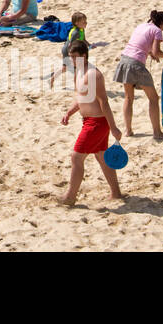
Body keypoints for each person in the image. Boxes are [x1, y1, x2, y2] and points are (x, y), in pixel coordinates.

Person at [60, 39, 123, 205]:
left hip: (97, 123)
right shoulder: (79, 72)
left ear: (84, 55)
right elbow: (81, 98)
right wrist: (69, 112)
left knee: (76, 157)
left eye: (75, 57)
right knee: (101, 157)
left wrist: (114, 127)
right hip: (88, 121)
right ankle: (116, 193)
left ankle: (70, 197)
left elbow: (104, 102)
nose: (72, 60)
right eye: (70, 57)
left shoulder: (93, 74)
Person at [113, 9, 163, 139]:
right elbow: (157, 51)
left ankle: (128, 131)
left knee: (128, 98)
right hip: (136, 65)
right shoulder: (157, 31)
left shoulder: (141, 26)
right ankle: (157, 133)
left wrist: (149, 54)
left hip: (124, 60)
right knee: (153, 99)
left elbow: (139, 45)